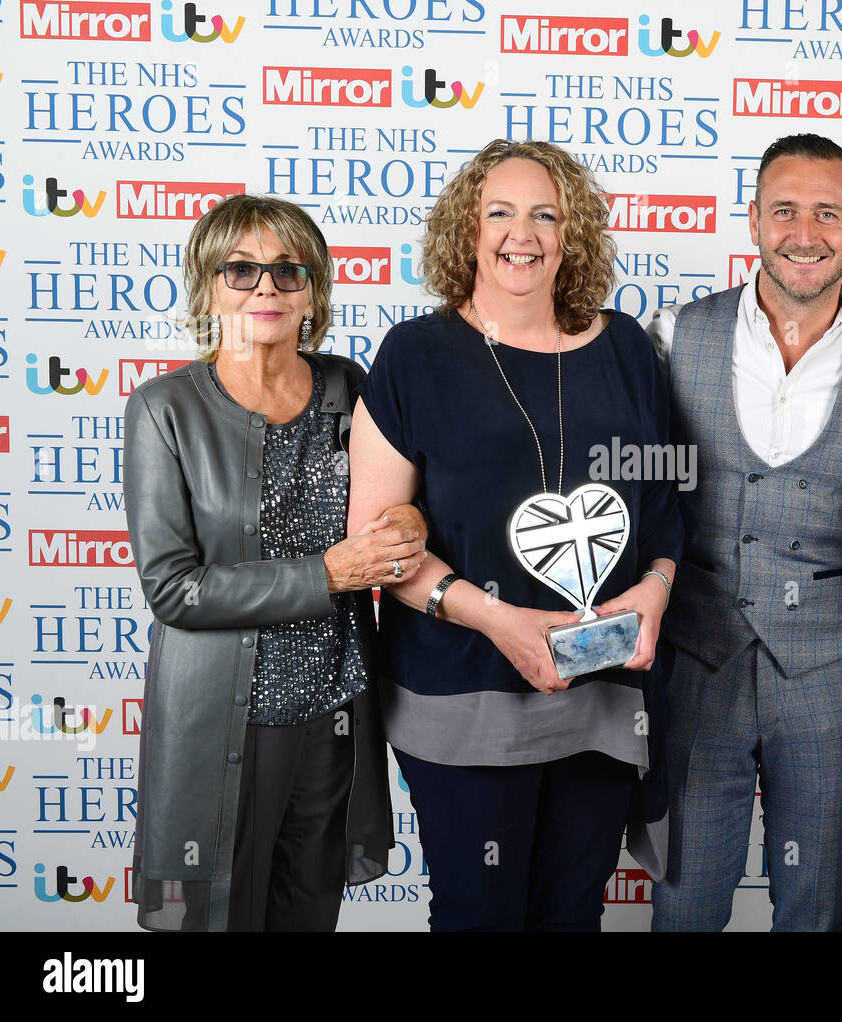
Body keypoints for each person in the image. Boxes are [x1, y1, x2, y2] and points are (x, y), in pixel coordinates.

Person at [347, 138, 684, 932]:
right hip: (464, 699)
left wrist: (655, 590)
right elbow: (379, 546)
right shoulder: (415, 357)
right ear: (469, 230)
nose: (521, 232)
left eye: (544, 214)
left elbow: (666, 505)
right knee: (480, 916)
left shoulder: (627, 348)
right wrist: (499, 619)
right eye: (499, 212)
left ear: (572, 237)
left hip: (601, 694)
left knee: (571, 914)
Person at [646, 133, 842, 931]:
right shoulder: (672, 338)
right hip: (694, 662)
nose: (804, 234)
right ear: (752, 221)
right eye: (784, 211)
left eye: (826, 214)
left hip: (825, 674)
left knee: (812, 907)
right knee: (684, 902)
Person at [123, 194, 427, 931]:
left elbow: (400, 503)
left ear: (313, 290)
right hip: (226, 723)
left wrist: (413, 515)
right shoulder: (165, 408)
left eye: (288, 271)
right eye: (242, 270)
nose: (266, 287)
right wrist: (329, 574)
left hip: (335, 716)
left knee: (307, 916)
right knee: (219, 918)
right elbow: (174, 589)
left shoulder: (347, 387)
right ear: (207, 285)